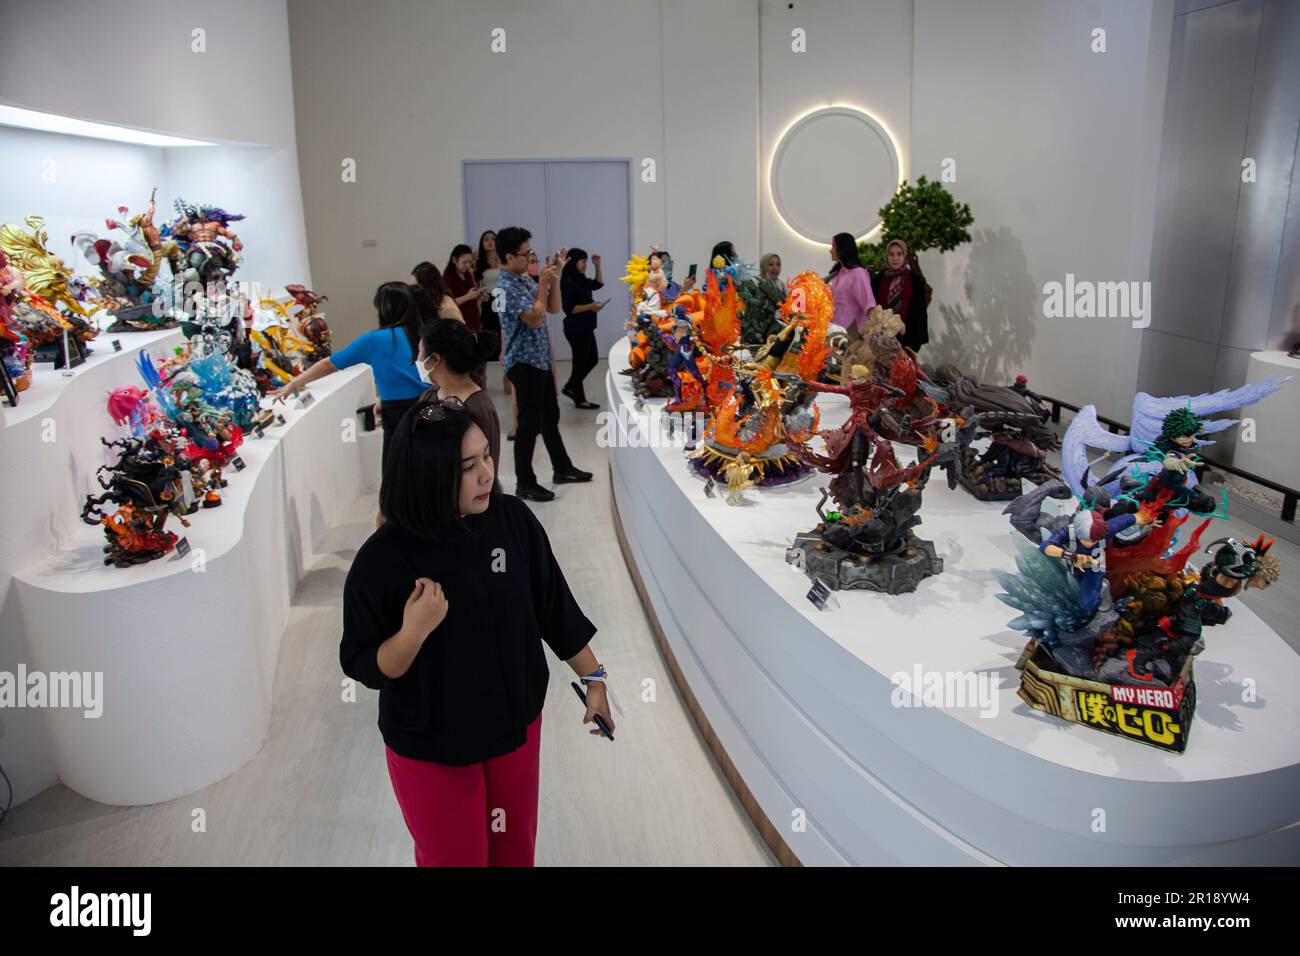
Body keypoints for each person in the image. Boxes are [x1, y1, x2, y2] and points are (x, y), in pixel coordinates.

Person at [340, 396, 613, 867]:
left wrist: (595, 679)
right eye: (467, 466)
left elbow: (554, 606)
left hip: (514, 726)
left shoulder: (511, 521)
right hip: (433, 744)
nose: (487, 473)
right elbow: (365, 665)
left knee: (513, 851)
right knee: (457, 857)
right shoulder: (383, 559)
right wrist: (412, 633)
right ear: (428, 473)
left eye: (487, 455)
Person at [270, 281, 425, 522]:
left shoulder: (376, 340)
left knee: (394, 484)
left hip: (397, 416)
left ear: (383, 310)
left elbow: (330, 364)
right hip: (428, 408)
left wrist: (293, 383)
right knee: (427, 476)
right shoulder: (423, 334)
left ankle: (388, 544)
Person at [495, 226, 592, 501]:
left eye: (531, 253)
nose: (529, 259)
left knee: (550, 417)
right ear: (508, 256)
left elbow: (553, 308)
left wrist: (554, 278)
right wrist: (542, 284)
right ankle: (525, 482)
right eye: (525, 254)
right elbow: (535, 317)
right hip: (523, 363)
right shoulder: (504, 289)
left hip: (539, 361)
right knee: (528, 424)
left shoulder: (525, 279)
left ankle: (562, 467)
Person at [415, 318, 502, 486]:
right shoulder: (429, 396)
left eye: (420, 351)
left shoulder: (478, 407)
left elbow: (488, 470)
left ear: (434, 360)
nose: (417, 359)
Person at [559, 247, 604, 409]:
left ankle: (571, 387)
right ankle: (579, 398)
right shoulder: (567, 281)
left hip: (586, 326)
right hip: (575, 328)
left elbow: (597, 284)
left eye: (586, 262)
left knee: (592, 359)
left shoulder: (580, 278)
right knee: (580, 363)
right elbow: (569, 309)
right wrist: (591, 306)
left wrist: (597, 266)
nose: (586, 265)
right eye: (583, 262)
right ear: (574, 262)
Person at [871, 238, 930, 352]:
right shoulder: (878, 279)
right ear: (886, 256)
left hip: (908, 338)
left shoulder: (915, 281)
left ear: (905, 256)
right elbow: (873, 308)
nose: (895, 258)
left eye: (899, 254)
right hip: (881, 338)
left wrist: (921, 337)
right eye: (891, 254)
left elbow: (921, 311)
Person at [827, 231, 876, 331]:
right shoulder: (837, 273)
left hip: (851, 334)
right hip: (833, 333)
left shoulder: (858, 273)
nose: (831, 250)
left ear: (842, 249)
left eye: (833, 247)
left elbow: (869, 305)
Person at [443, 244, 486, 330]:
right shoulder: (447, 279)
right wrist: (468, 296)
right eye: (464, 262)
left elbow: (474, 299)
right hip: (459, 324)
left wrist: (480, 296)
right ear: (454, 260)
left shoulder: (468, 275)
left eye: (470, 262)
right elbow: (448, 303)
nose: (468, 265)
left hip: (474, 321)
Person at [474, 230, 501, 337]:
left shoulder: (503, 262)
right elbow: (476, 284)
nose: (490, 242)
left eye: (493, 239)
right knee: (490, 332)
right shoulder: (479, 264)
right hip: (487, 299)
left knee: (503, 331)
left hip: (502, 297)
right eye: (486, 239)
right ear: (482, 243)